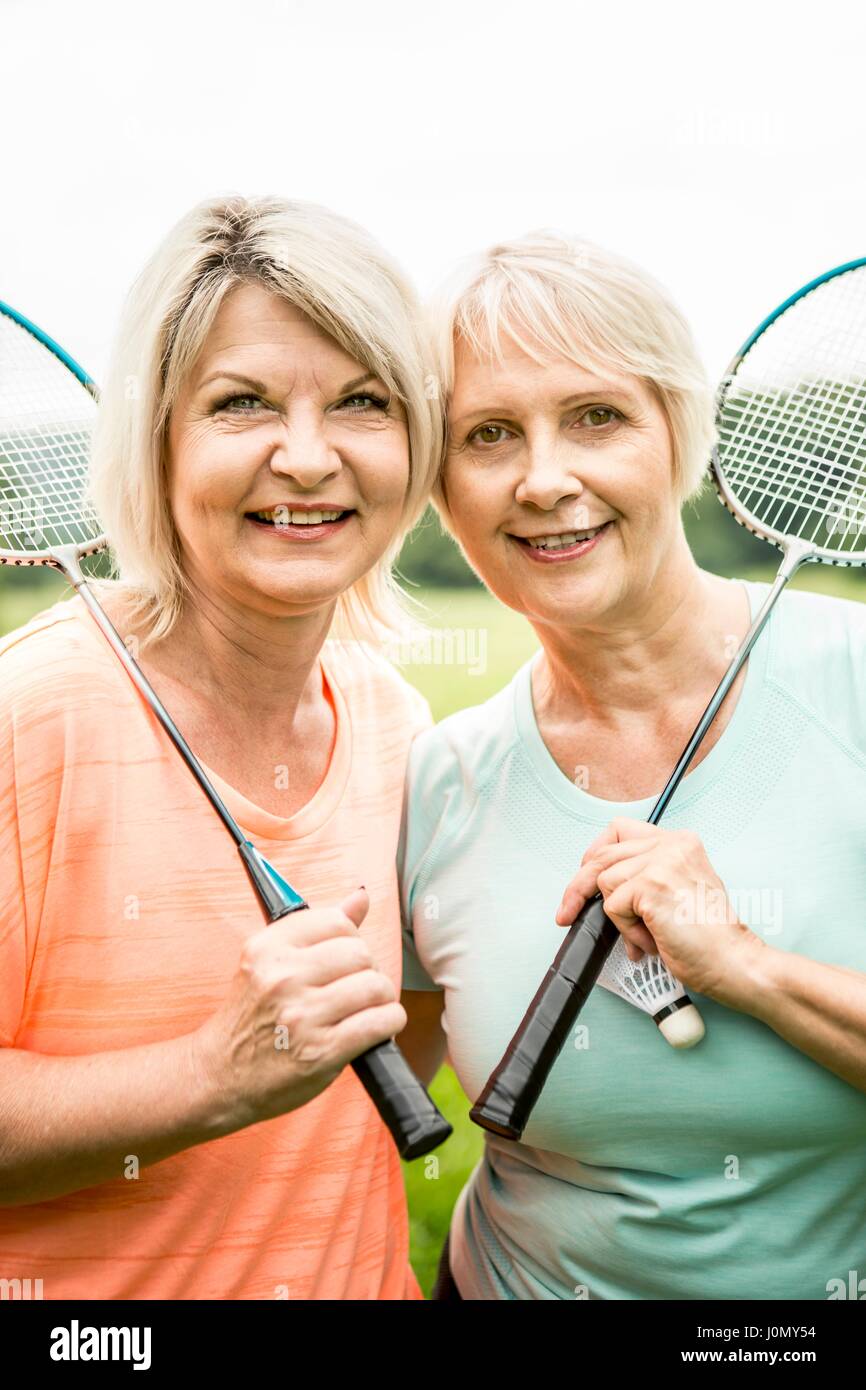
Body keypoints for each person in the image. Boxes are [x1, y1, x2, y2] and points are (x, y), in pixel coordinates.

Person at [398, 231, 866, 1300]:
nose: (543, 478)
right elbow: (335, 1137)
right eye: (487, 435)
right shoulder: (434, 782)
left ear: (678, 438)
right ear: (439, 490)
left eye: (595, 416)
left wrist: (747, 968)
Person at [0, 194, 443, 1300]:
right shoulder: (31, 716)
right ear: (157, 440)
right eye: (241, 403)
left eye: (361, 401)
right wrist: (211, 1074)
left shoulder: (394, 722)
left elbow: (401, 1043)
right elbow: (253, 1075)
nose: (307, 457)